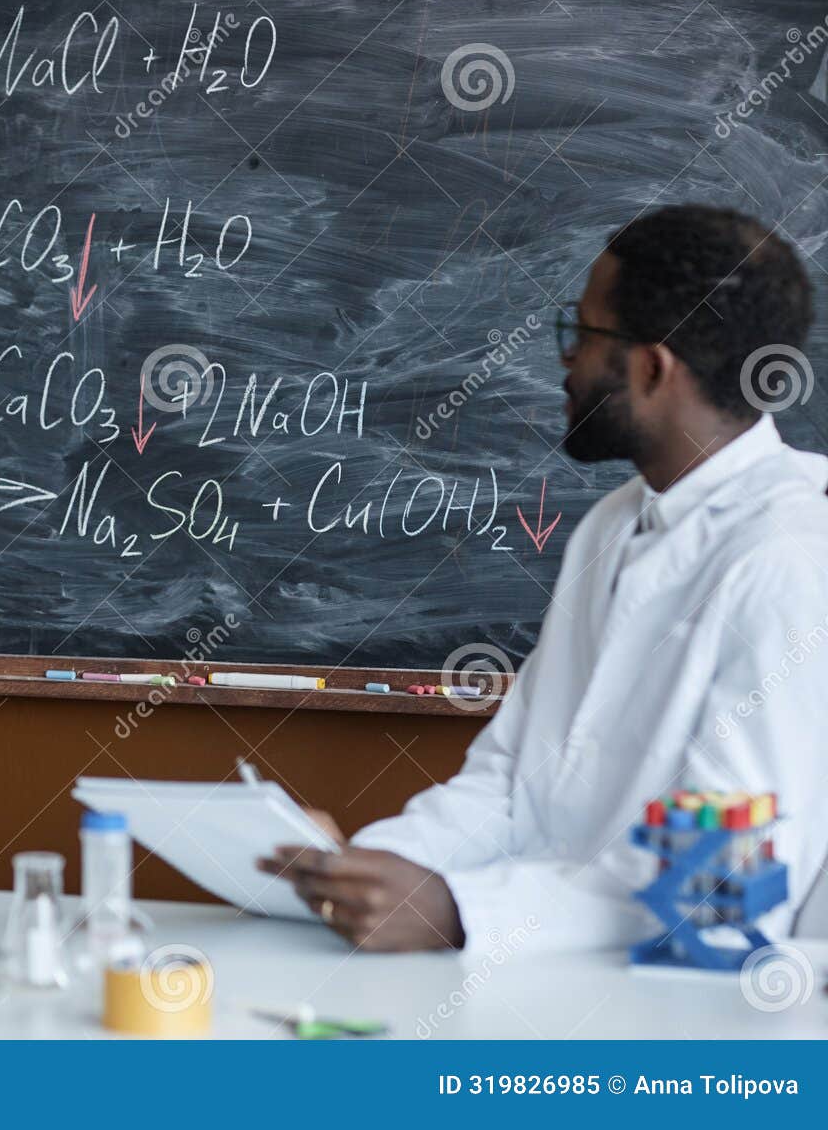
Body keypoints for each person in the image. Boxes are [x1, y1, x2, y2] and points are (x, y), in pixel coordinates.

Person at [260, 205, 828, 957]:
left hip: (682, 1007)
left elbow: (718, 884)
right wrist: (373, 866)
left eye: (583, 335)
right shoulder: (614, 524)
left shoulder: (790, 560)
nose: (566, 362)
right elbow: (510, 783)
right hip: (551, 972)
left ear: (652, 369)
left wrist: (459, 911)